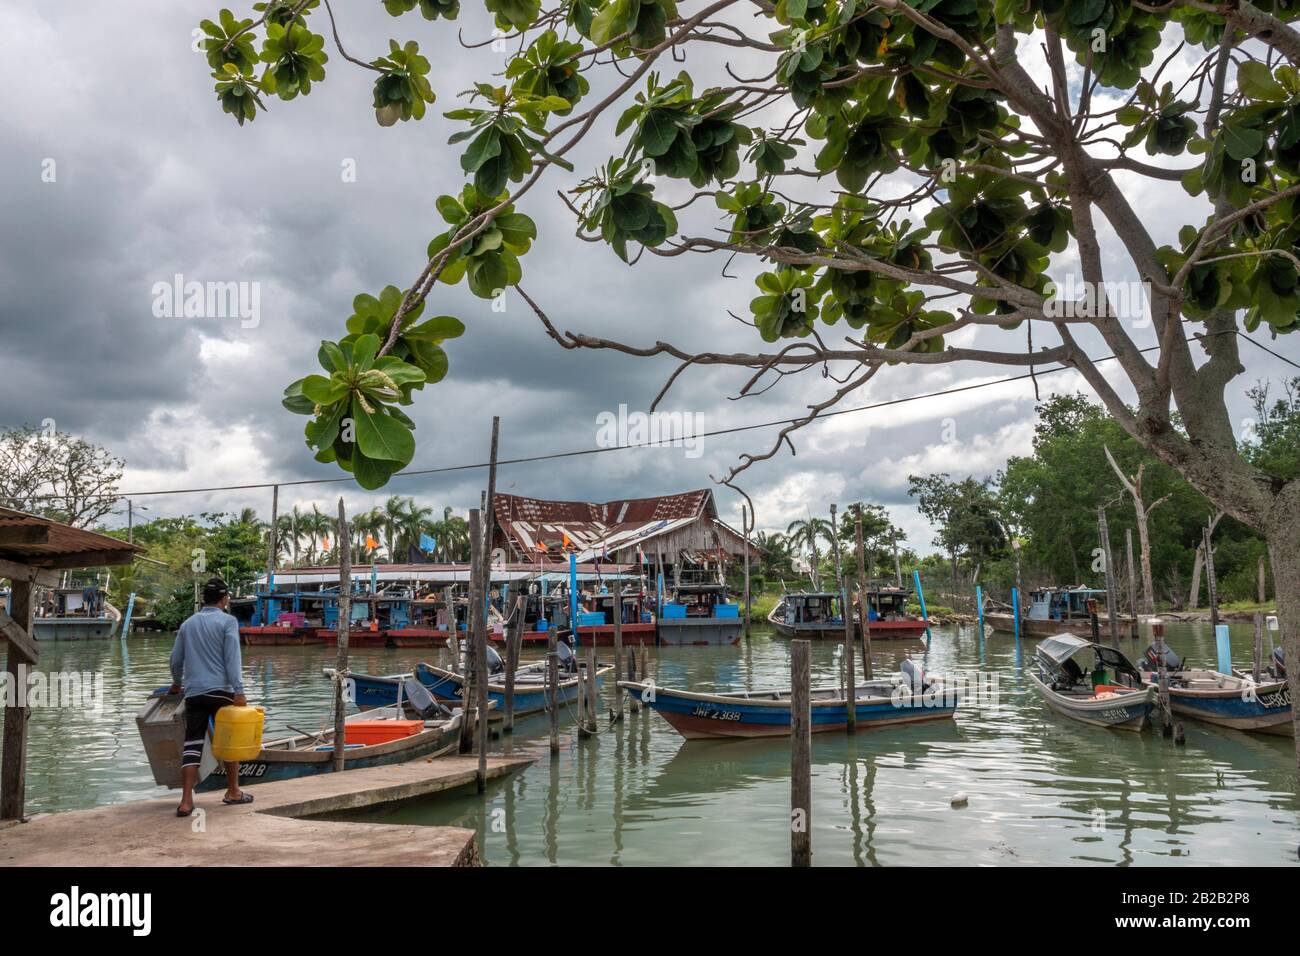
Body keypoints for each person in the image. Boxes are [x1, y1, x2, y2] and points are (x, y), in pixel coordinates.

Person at [168, 576, 251, 816]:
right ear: (224, 599)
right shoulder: (228, 622)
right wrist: (239, 691)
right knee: (229, 743)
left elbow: (175, 660)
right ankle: (233, 791)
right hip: (222, 692)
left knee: (192, 743)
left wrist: (176, 683)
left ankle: (186, 801)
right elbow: (232, 659)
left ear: (204, 599)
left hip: (194, 692)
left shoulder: (187, 624)